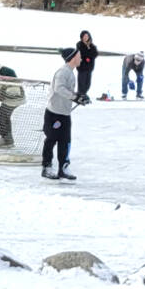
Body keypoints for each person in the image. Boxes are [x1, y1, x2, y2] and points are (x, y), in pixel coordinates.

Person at [42, 47, 81, 180]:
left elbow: (67, 92)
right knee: (51, 140)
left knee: (65, 141)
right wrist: (74, 97)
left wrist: (79, 97)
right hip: (54, 114)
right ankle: (46, 167)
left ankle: (63, 168)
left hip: (64, 114)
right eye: (79, 56)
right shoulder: (63, 72)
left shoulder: (70, 72)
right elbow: (59, 88)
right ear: (73, 58)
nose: (81, 58)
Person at [0, 64, 21, 148]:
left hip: (13, 99)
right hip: (11, 98)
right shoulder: (4, 70)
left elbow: (4, 88)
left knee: (1, 117)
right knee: (3, 117)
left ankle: (7, 141)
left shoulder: (5, 71)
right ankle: (7, 140)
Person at [75, 31, 98, 104]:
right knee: (81, 83)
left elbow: (95, 54)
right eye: (84, 36)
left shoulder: (91, 45)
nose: (86, 37)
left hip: (89, 68)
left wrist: (89, 54)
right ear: (82, 37)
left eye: (87, 36)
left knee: (88, 84)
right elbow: (82, 53)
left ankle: (83, 95)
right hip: (82, 67)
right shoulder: (79, 44)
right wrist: (88, 56)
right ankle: (80, 96)